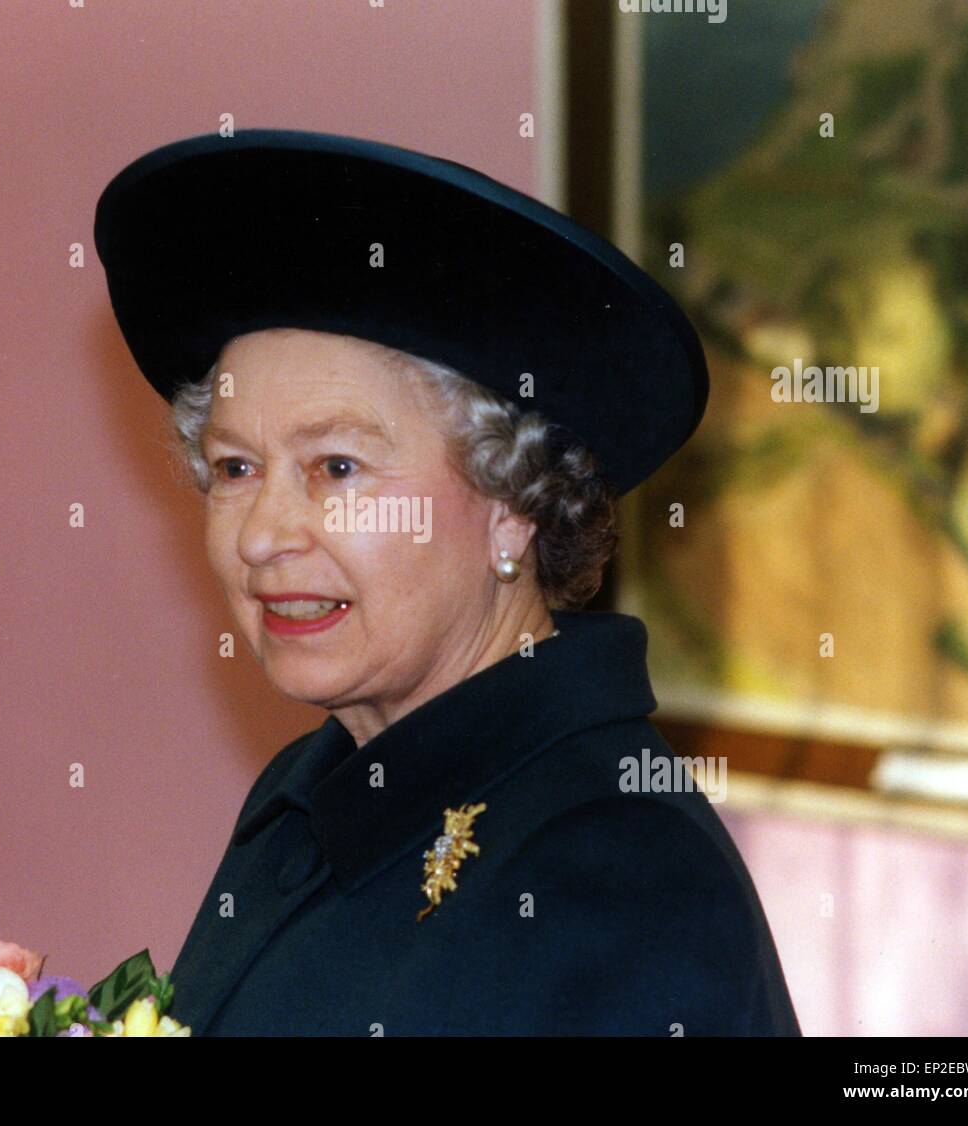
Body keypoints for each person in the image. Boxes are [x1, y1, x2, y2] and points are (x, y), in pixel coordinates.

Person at [93, 128, 801, 1035]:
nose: (263, 535)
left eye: (337, 468)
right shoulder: (309, 793)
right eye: (234, 470)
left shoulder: (616, 874)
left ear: (514, 502)